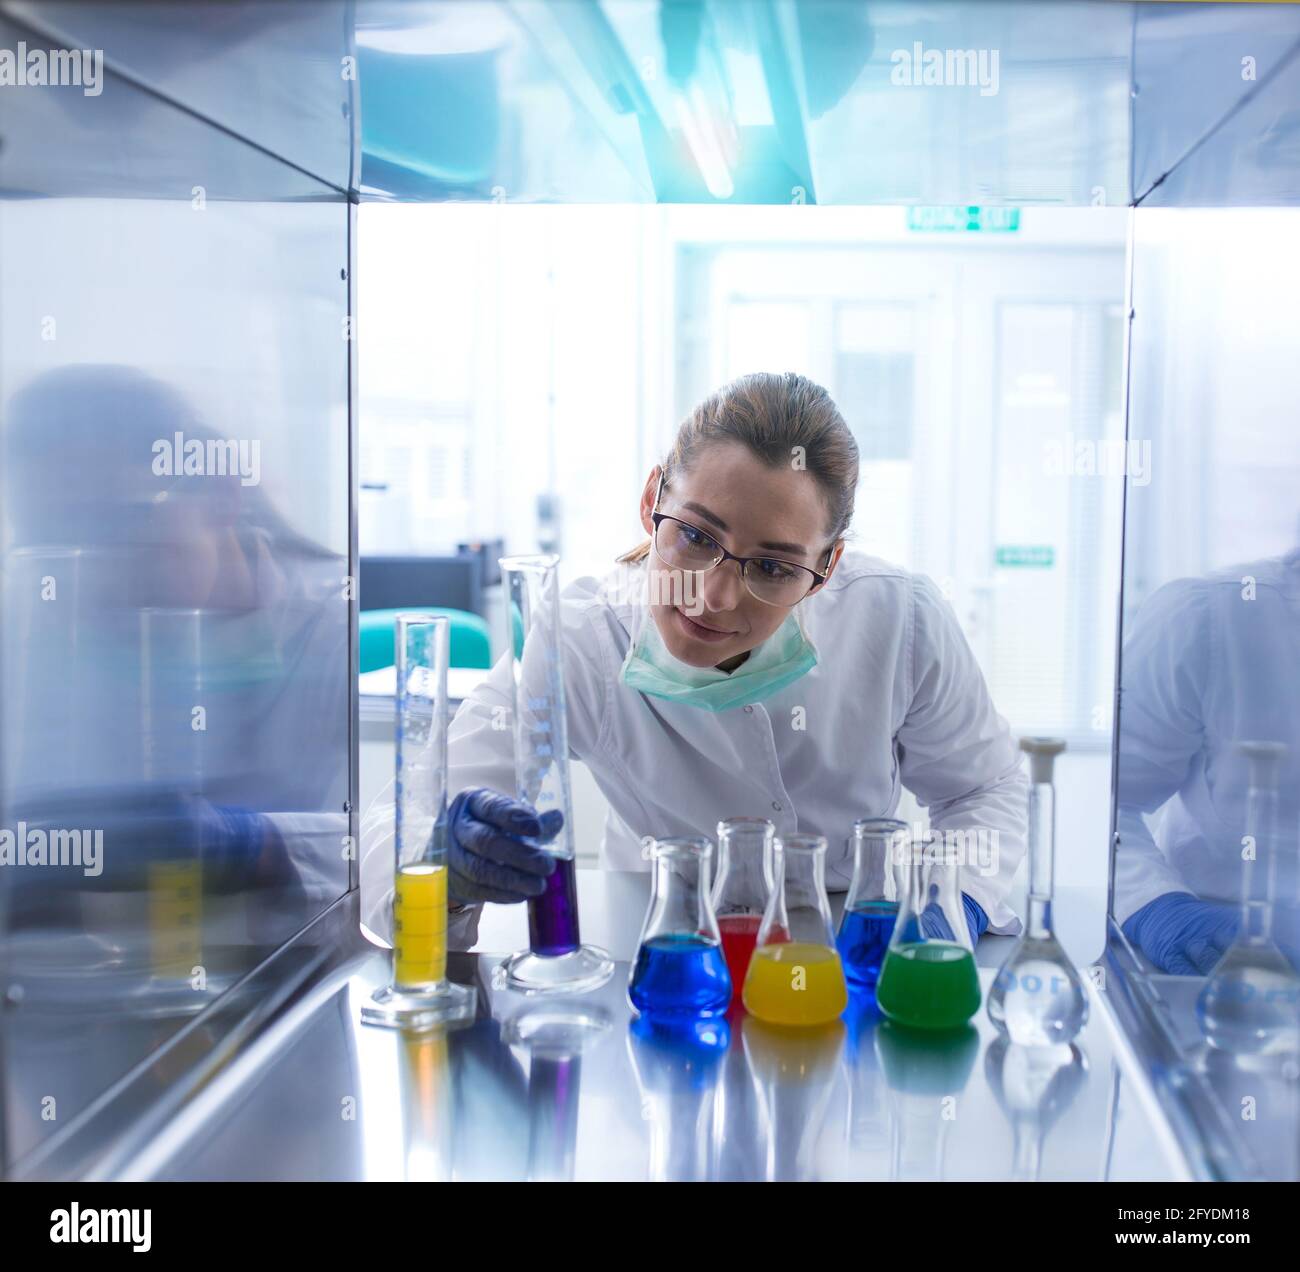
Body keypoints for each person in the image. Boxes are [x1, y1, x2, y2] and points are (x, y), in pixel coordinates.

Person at [365, 372, 1028, 949]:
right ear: (653, 497)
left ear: (825, 568)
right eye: (695, 535)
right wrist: (442, 861)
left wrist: (953, 903)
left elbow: (986, 789)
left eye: (771, 566)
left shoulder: (897, 618)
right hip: (666, 948)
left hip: (850, 961)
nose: (711, 595)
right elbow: (408, 813)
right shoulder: (580, 636)